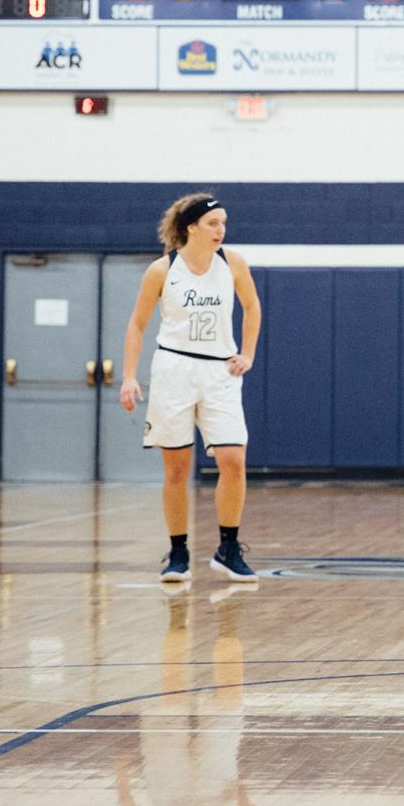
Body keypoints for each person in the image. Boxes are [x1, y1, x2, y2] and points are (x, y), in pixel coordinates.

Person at [117, 194, 263, 584]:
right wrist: (130, 376)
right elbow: (136, 324)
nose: (222, 230)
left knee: (233, 459)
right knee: (177, 469)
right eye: (214, 223)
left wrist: (247, 353)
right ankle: (178, 551)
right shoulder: (162, 270)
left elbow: (252, 307)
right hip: (174, 369)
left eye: (224, 223)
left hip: (220, 371)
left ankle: (228, 548)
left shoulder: (233, 264)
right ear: (192, 227)